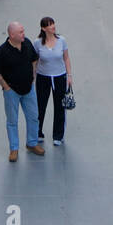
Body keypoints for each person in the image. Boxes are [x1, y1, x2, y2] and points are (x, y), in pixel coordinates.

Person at [0, 21, 44, 161]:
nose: (23, 34)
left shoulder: (26, 43)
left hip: (29, 89)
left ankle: (32, 143)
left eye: (23, 31)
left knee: (33, 117)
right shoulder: (2, 51)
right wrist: (6, 87)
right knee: (12, 120)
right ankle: (14, 149)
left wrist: (33, 75)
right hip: (12, 92)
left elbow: (34, 59)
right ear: (11, 34)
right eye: (20, 32)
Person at [34, 17, 73, 146]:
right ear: (43, 28)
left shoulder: (62, 41)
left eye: (53, 24)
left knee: (59, 106)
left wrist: (69, 75)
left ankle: (58, 135)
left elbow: (66, 58)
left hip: (59, 76)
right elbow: (35, 61)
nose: (53, 26)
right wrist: (33, 77)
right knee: (40, 105)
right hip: (43, 77)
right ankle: (38, 132)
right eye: (49, 25)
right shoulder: (38, 43)